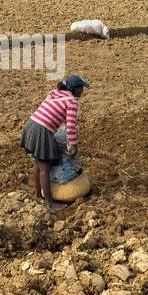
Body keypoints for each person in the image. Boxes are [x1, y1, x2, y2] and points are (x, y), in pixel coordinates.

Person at [21, 74, 89, 211]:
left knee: (37, 163)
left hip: (31, 125)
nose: (83, 91)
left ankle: (37, 194)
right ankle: (49, 203)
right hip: (42, 131)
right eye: (82, 88)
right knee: (45, 169)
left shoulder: (55, 94)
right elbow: (70, 126)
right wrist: (74, 145)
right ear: (75, 89)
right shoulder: (72, 101)